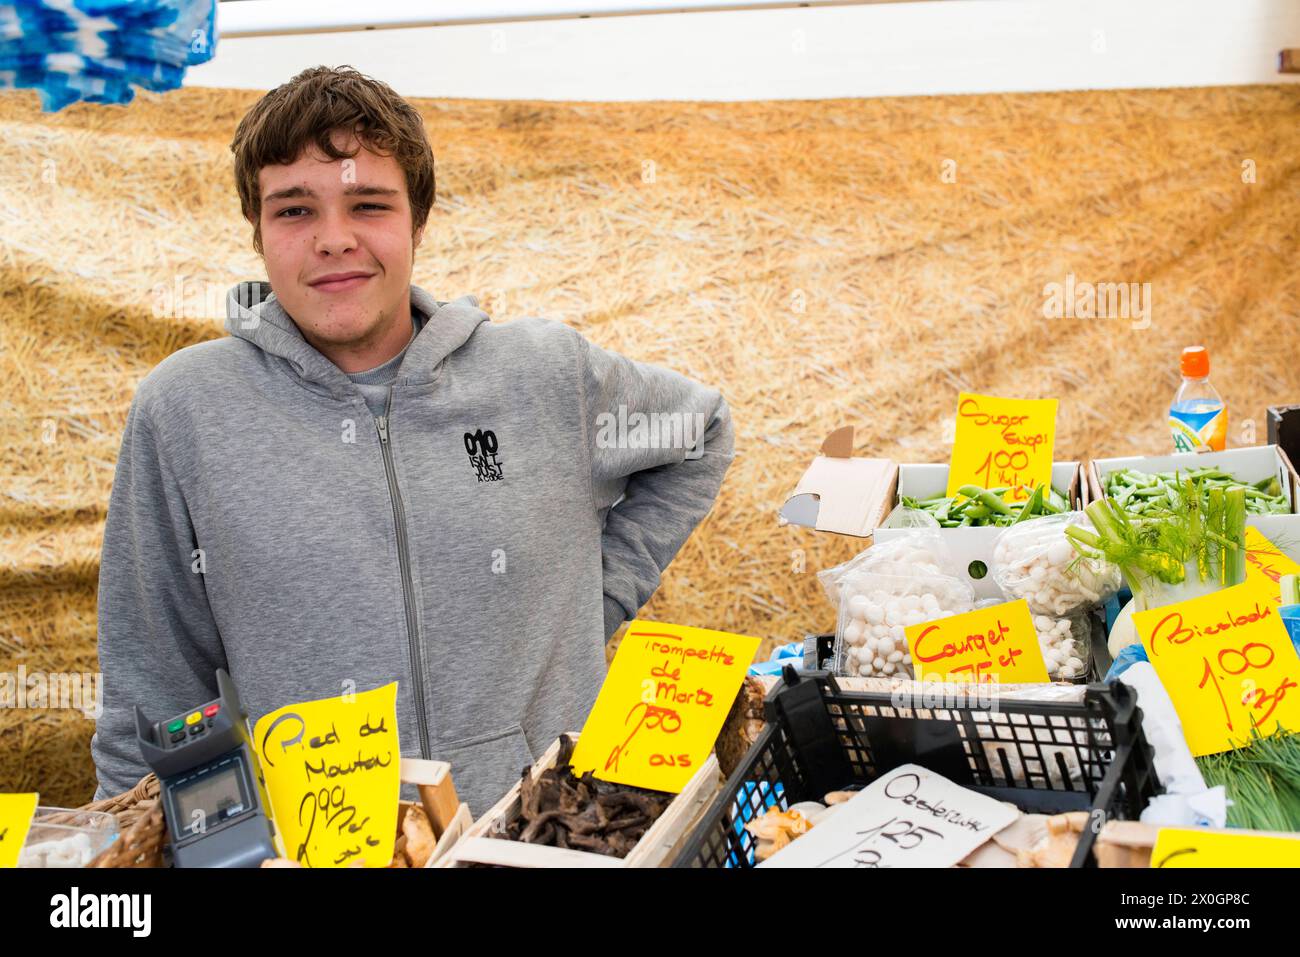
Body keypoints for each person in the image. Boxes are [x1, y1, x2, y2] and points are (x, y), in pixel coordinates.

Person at [90, 65, 735, 816]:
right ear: (257, 232)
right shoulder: (186, 409)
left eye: (368, 204)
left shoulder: (544, 372)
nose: (335, 239)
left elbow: (702, 431)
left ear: (418, 221)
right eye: (295, 210)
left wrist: (592, 601)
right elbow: (152, 681)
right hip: (323, 849)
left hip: (547, 833)